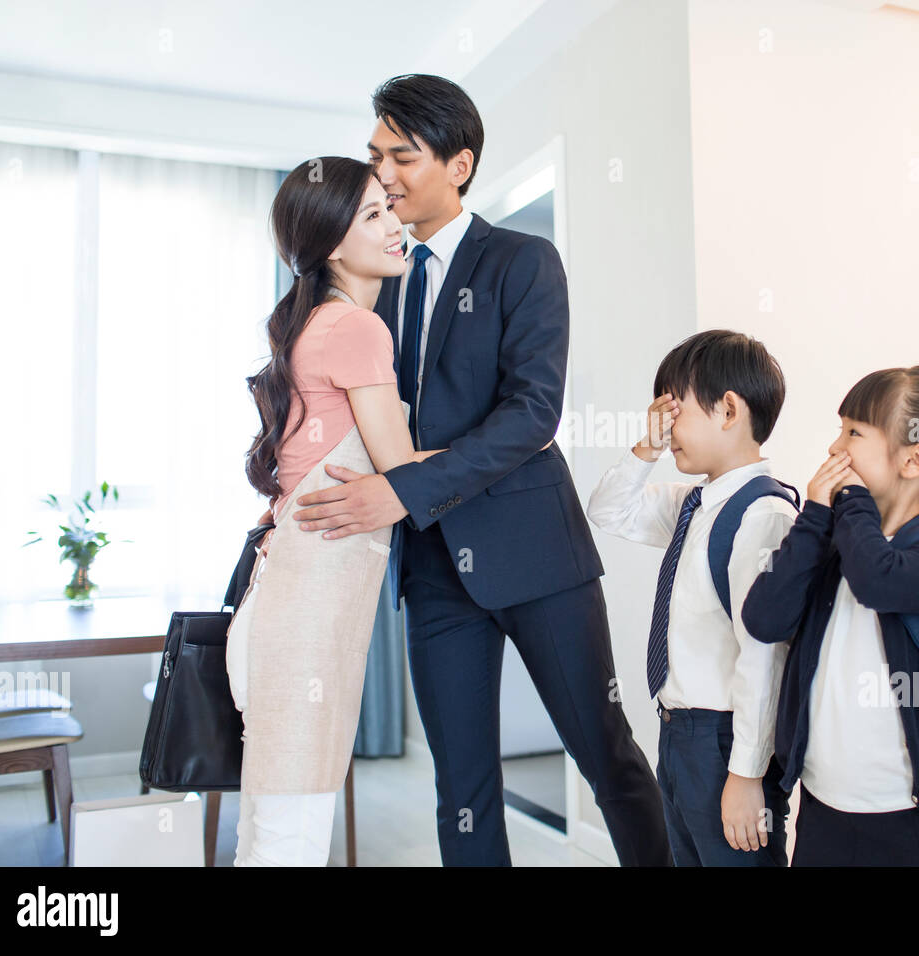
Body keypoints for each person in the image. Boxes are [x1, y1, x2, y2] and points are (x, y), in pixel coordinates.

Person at [289, 74, 670, 866]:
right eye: (374, 156)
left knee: (608, 755)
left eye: (402, 156)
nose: (382, 175)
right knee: (460, 785)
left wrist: (400, 490)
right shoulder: (372, 287)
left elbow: (532, 416)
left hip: (536, 553)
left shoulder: (523, 262)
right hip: (433, 568)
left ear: (459, 165)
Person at [227, 156, 443, 866]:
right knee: (290, 838)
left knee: (268, 829)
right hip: (306, 619)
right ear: (328, 246)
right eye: (373, 216)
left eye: (390, 207)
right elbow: (403, 472)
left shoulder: (315, 326)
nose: (395, 225)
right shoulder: (354, 329)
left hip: (281, 605)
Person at [741, 365, 919, 866]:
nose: (835, 449)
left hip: (916, 821)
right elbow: (764, 618)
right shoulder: (837, 544)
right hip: (824, 811)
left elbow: (878, 579)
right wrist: (817, 516)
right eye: (839, 430)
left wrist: (850, 499)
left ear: (916, 458)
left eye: (854, 433)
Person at [587, 331, 797, 865]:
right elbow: (609, 511)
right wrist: (648, 448)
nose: (665, 424)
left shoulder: (763, 515)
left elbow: (764, 654)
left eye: (673, 411)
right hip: (678, 733)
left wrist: (747, 773)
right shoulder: (693, 504)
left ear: (728, 410)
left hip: (726, 740)